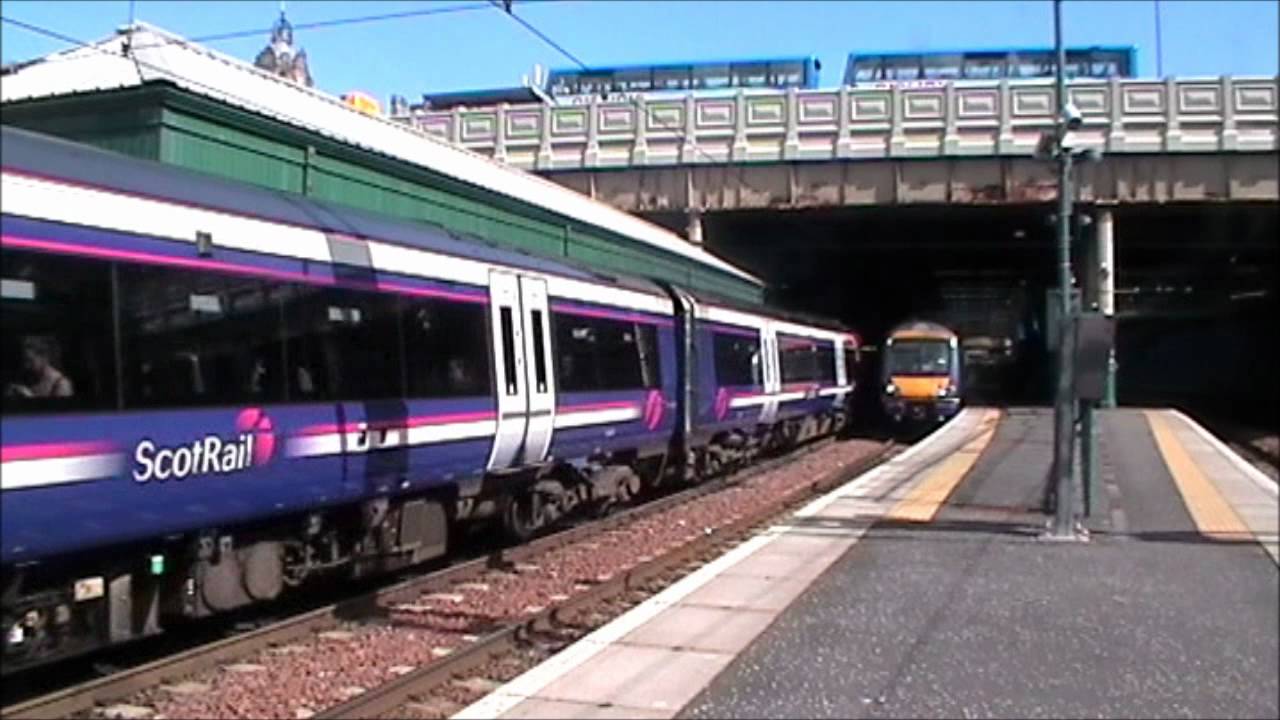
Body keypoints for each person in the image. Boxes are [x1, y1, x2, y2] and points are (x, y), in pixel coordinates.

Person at [6, 336, 73, 398]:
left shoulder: (62, 384)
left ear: (44, 357)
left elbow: (61, 410)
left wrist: (30, 397)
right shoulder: (26, 377)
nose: (26, 366)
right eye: (24, 361)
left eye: (29, 360)